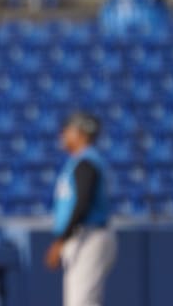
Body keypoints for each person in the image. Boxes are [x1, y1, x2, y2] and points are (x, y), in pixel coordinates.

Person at [45, 111, 116, 306]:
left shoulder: (87, 162)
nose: (63, 135)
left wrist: (60, 241)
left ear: (81, 134)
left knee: (82, 302)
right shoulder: (80, 161)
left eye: (67, 130)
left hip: (88, 235)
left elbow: (82, 203)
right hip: (84, 235)